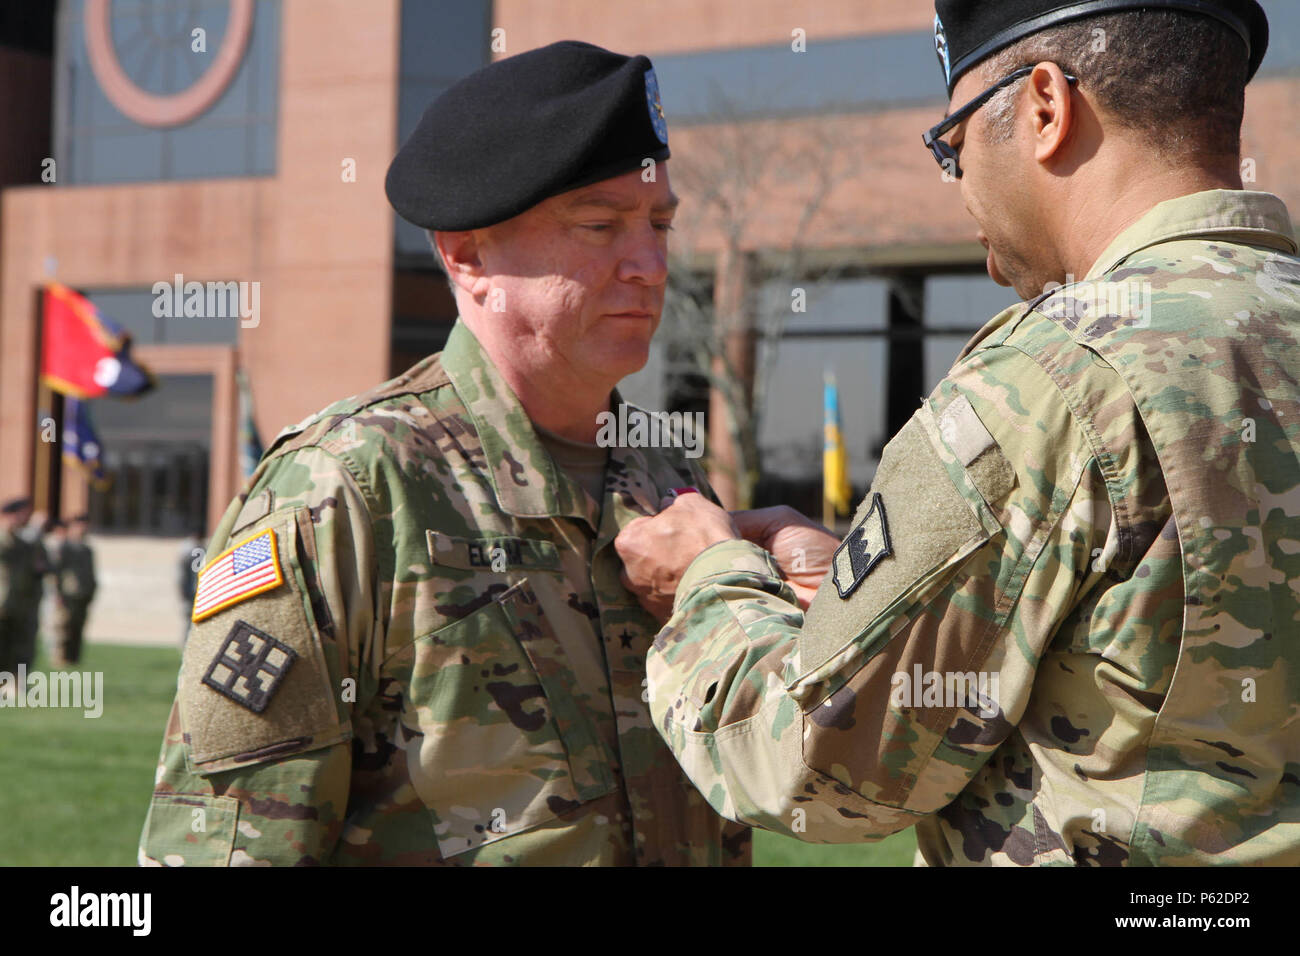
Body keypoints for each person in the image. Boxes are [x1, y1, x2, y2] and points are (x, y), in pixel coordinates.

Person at [615, 0, 1300, 865]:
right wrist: (872, 599)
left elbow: (818, 765)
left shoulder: (1054, 373)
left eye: (955, 144)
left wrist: (709, 579)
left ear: (1046, 108)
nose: (958, 182)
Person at [139, 41, 749, 866]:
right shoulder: (347, 489)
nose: (648, 264)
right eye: (601, 225)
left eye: (660, 224)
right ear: (467, 256)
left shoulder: (670, 486)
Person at [0, 498, 48, 692]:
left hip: (26, 602)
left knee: (24, 646)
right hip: (4, 603)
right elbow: (7, 550)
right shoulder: (6, 537)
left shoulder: (31, 540)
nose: (25, 518)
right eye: (22, 513)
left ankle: (18, 684)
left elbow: (44, 564)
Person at [50, 515, 96, 667]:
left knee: (78, 627)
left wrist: (92, 590)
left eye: (85, 525)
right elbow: (56, 572)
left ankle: (73, 659)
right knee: (64, 627)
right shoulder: (64, 547)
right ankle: (60, 658)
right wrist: (57, 593)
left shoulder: (87, 549)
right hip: (68, 594)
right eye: (79, 525)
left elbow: (91, 572)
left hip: (83, 594)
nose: (83, 529)